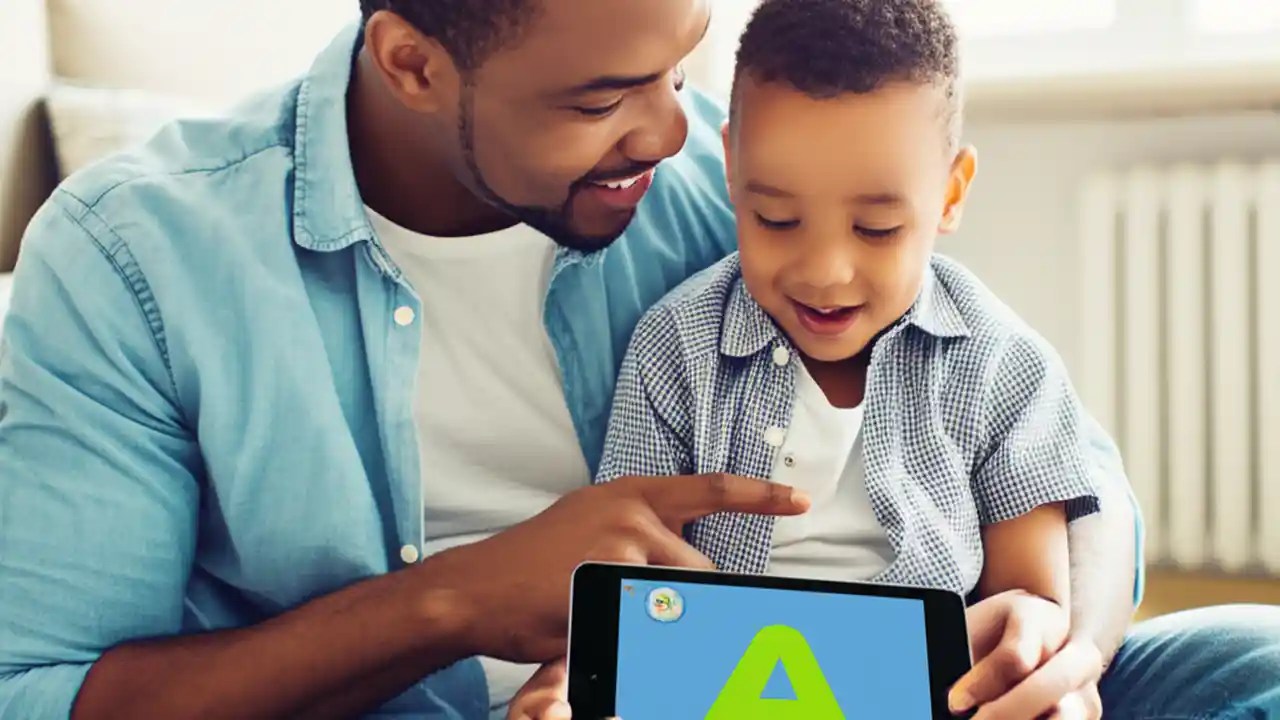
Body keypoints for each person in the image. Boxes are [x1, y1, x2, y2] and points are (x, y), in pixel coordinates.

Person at [0, 0, 1273, 718]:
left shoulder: (749, 176)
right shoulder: (136, 263)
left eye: (679, 61)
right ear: (409, 61)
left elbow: (1070, 468)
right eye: (602, 94)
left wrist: (1062, 645)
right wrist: (454, 601)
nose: (669, 128)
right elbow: (46, 695)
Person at [596, 0, 1099, 619]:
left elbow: (1032, 596)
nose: (824, 272)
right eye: (777, 220)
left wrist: (1024, 627)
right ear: (732, 169)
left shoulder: (1004, 367)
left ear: (950, 192)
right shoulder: (675, 349)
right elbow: (621, 580)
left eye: (877, 228)